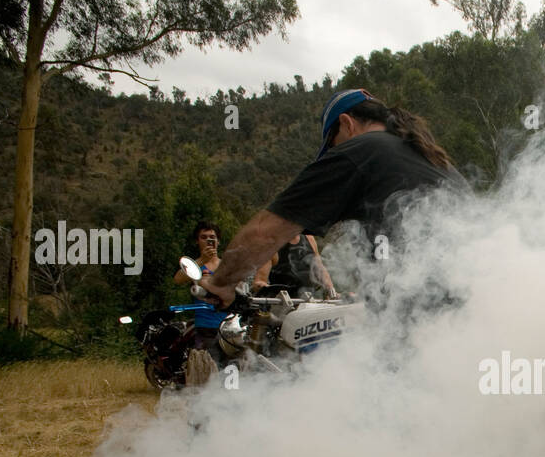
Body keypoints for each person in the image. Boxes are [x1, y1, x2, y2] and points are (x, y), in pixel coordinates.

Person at [200, 89, 466, 313]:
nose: (335, 152)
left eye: (333, 144)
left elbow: (265, 233)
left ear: (347, 124)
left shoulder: (361, 150)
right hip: (466, 318)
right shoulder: (439, 163)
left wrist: (221, 283)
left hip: (412, 320)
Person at [174, 220, 231, 350]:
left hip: (229, 325)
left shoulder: (227, 265)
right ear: (197, 241)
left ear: (218, 241)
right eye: (203, 237)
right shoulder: (196, 265)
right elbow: (178, 279)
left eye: (212, 237)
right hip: (206, 325)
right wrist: (201, 261)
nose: (209, 240)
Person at [252, 231, 339, 298]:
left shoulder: (309, 238)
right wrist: (263, 286)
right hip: (281, 304)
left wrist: (331, 290)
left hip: (309, 302)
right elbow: (259, 281)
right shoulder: (271, 245)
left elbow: (320, 269)